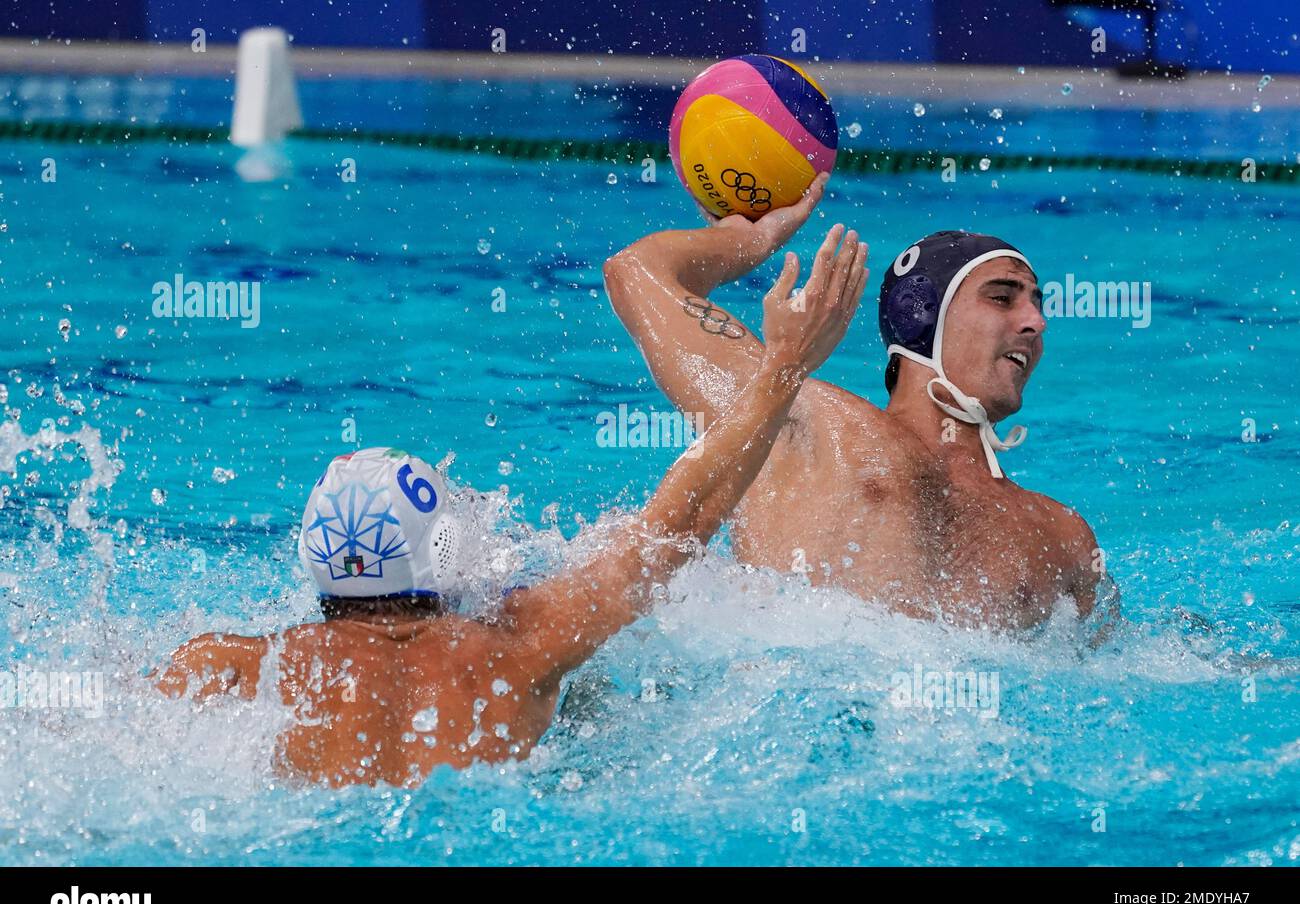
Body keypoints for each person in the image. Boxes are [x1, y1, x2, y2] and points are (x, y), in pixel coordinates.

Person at [156, 221, 869, 787]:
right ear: (442, 548)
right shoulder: (521, 644)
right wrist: (784, 367)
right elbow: (680, 520)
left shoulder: (236, 668)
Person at [603, 171, 1101, 631]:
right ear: (924, 317)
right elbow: (636, 271)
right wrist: (751, 238)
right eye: (1002, 297)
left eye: (1037, 302)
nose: (1036, 322)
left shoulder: (1062, 538)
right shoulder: (800, 421)